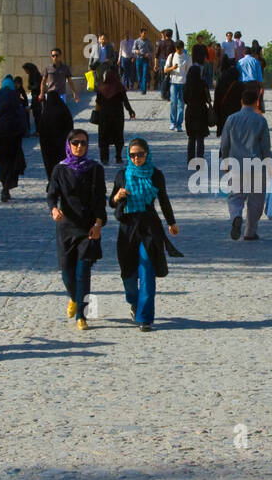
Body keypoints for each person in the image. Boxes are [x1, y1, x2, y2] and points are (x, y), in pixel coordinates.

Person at [110, 137, 182, 331]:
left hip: (150, 227)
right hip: (128, 228)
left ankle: (145, 318)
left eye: (140, 154)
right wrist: (117, 197)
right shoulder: (122, 175)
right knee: (128, 273)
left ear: (147, 154)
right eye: (132, 155)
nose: (136, 159)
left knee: (147, 271)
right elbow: (111, 201)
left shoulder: (156, 175)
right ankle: (134, 302)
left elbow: (164, 200)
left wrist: (171, 222)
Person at [47, 129, 106, 330]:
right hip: (66, 228)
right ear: (69, 145)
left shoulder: (95, 169)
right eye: (75, 143)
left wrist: (98, 224)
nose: (80, 147)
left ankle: (82, 314)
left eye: (83, 143)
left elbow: (100, 199)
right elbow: (52, 195)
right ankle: (74, 298)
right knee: (67, 273)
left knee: (83, 273)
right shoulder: (59, 169)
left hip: (88, 227)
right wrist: (54, 209)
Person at [219, 86, 272, 241]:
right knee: (256, 200)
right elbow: (265, 147)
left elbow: (224, 144)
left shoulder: (231, 119)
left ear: (241, 101)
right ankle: (250, 231)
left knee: (235, 196)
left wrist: (225, 161)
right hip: (256, 164)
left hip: (236, 163)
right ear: (257, 103)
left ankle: (236, 216)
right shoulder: (261, 120)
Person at [0, 76, 29, 201]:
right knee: (11, 162)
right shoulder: (14, 96)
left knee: (2, 163)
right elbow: (21, 116)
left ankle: (4, 186)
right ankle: (6, 187)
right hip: (13, 133)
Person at [95, 65, 136, 165]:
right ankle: (118, 157)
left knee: (103, 137)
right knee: (118, 137)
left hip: (104, 117)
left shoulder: (101, 88)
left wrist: (96, 114)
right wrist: (130, 111)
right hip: (117, 116)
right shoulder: (119, 87)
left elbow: (98, 103)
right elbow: (125, 101)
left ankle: (104, 158)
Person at [37, 89, 74, 181]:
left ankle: (52, 181)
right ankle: (63, 180)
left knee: (50, 163)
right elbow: (70, 126)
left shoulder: (45, 112)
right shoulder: (64, 110)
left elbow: (41, 130)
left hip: (48, 146)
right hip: (62, 144)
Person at [183, 62, 212, 164]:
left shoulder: (187, 85)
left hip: (190, 111)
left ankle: (190, 160)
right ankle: (200, 160)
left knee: (191, 137)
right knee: (200, 138)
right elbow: (208, 99)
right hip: (201, 111)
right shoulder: (203, 83)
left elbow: (185, 99)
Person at [214, 56, 242, 137]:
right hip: (236, 113)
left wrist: (216, 112)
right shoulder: (239, 84)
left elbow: (217, 98)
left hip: (223, 112)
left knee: (224, 137)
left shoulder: (221, 80)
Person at [166, 39, 189, 131]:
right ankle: (173, 122)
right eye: (179, 49)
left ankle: (179, 124)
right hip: (173, 82)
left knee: (181, 104)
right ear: (176, 48)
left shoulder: (187, 57)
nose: (180, 51)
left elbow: (189, 71)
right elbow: (165, 70)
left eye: (182, 49)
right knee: (173, 102)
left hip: (183, 83)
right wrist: (173, 68)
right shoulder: (171, 56)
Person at [236, 42, 264, 113]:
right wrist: (261, 85)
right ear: (251, 53)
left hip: (243, 84)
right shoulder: (256, 61)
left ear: (243, 54)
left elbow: (237, 74)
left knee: (243, 100)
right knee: (254, 100)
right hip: (253, 84)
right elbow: (259, 75)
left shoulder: (239, 62)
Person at [154, 28, 174, 97]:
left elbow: (156, 55)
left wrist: (156, 65)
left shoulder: (160, 43)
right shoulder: (173, 43)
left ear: (165, 35)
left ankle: (163, 93)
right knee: (170, 78)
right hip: (170, 62)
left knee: (163, 78)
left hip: (162, 61)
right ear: (172, 35)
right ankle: (168, 93)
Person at [23, 61, 43, 132]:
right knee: (36, 115)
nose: (26, 72)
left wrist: (30, 87)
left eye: (26, 70)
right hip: (35, 96)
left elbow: (37, 85)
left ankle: (39, 131)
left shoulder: (35, 75)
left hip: (37, 97)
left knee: (37, 115)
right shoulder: (33, 74)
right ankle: (38, 130)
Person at [133, 27, 153, 94]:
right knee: (139, 75)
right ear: (141, 33)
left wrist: (149, 54)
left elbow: (152, 50)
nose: (145, 34)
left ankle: (144, 90)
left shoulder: (148, 41)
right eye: (144, 33)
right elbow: (132, 50)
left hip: (145, 60)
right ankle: (141, 87)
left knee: (144, 74)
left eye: (146, 33)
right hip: (138, 59)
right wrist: (136, 51)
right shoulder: (136, 41)